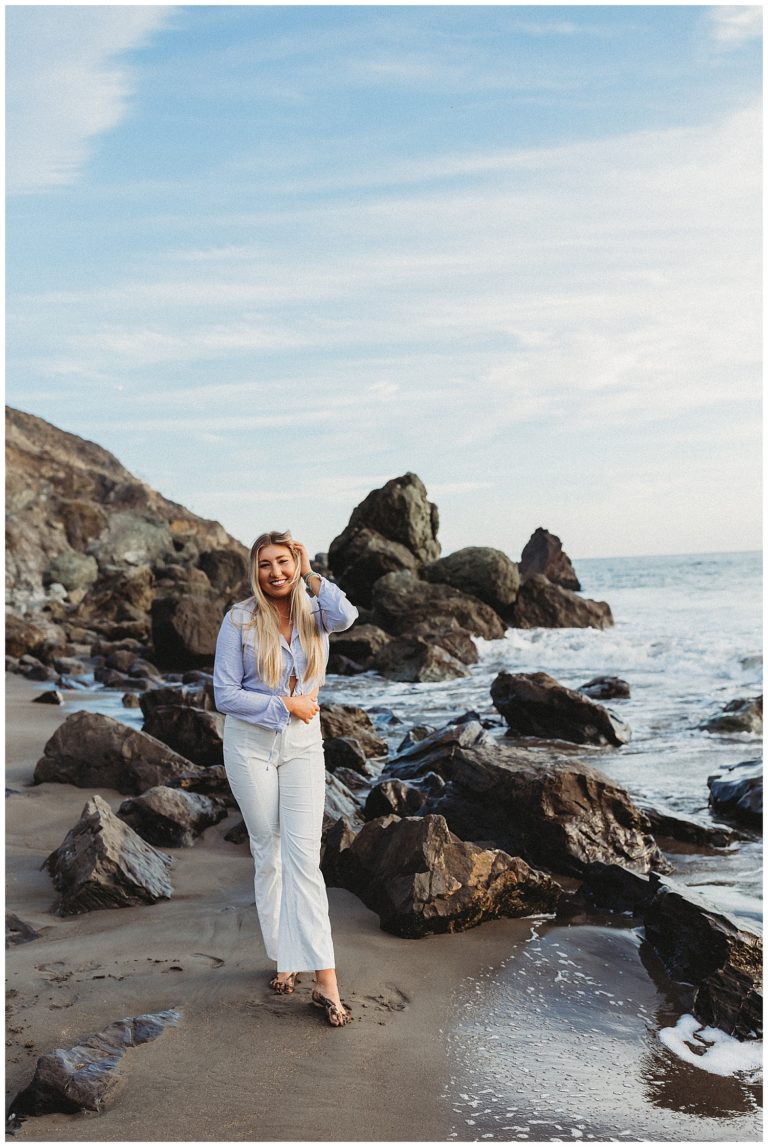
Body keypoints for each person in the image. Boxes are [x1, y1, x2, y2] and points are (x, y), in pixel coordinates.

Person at [213, 529, 358, 1027]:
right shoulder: (239, 619)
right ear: (253, 571)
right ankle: (284, 957)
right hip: (250, 745)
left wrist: (312, 570)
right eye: (265, 564)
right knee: (267, 851)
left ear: (295, 563)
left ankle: (326, 979)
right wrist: (283, 704)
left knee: (303, 858)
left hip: (303, 746)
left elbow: (348, 615)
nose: (275, 572)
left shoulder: (315, 610)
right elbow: (224, 694)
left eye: (283, 562)